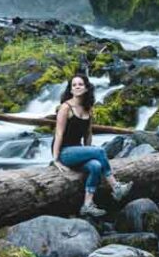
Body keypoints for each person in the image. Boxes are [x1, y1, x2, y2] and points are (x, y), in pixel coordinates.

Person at [50, 74, 131, 218]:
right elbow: (59, 133)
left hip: (77, 151)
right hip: (64, 152)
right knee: (99, 151)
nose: (77, 87)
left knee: (96, 166)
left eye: (80, 84)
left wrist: (89, 153)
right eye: (74, 85)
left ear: (86, 88)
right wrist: (56, 159)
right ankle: (116, 186)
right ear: (71, 89)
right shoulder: (65, 107)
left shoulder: (88, 109)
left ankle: (87, 205)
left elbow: (88, 134)